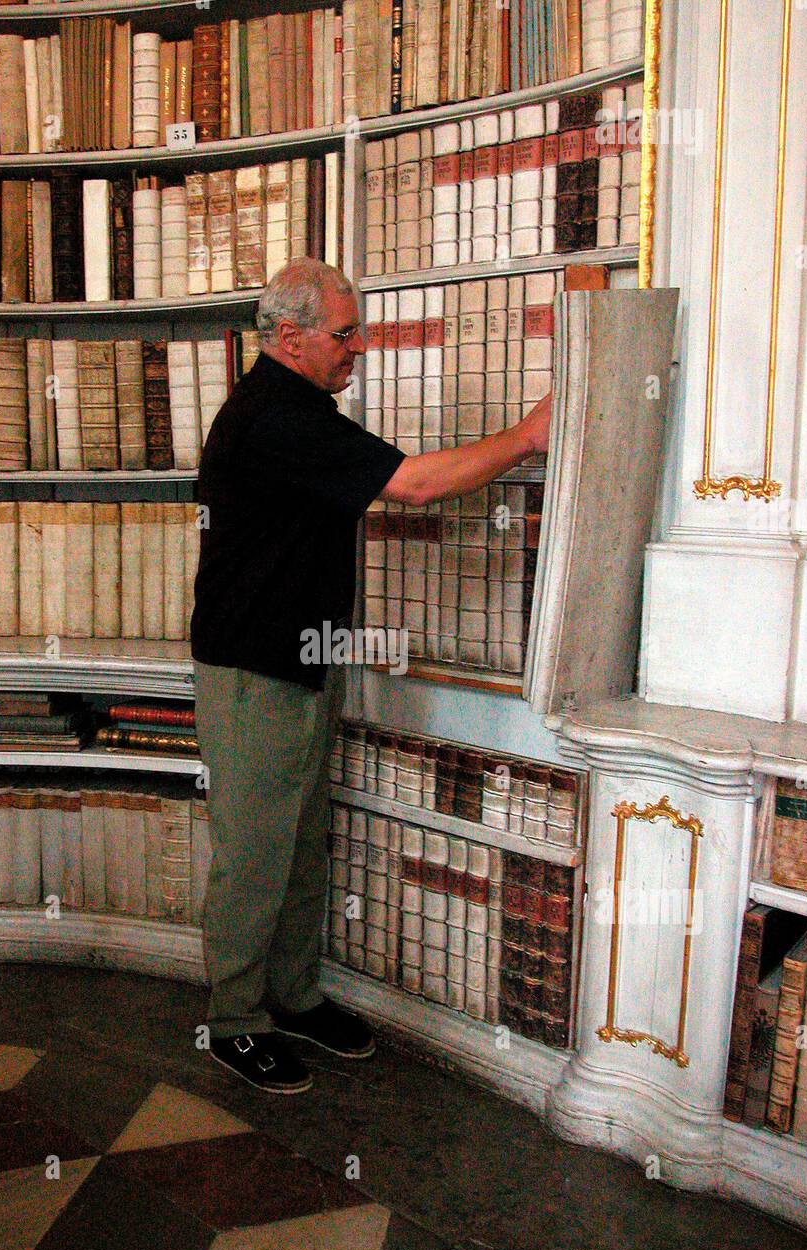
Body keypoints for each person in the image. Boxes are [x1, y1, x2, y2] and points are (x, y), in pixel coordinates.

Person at [190, 258, 551, 1094]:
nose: (359, 350)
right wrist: (528, 437)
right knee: (253, 854)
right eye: (344, 335)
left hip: (303, 659)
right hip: (254, 669)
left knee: (300, 840)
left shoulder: (301, 410)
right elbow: (417, 486)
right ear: (291, 338)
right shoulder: (276, 417)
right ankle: (235, 1021)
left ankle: (291, 995)